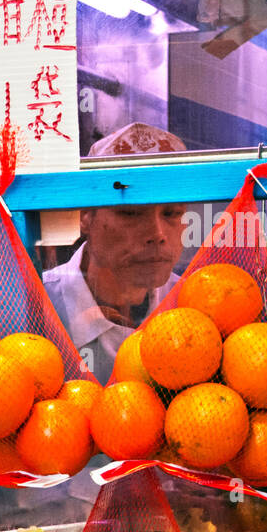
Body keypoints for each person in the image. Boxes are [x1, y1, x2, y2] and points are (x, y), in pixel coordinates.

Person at [43, 122, 189, 384]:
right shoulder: (33, 306)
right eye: (131, 212)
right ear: (85, 215)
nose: (157, 234)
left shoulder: (191, 305)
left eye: (171, 213)